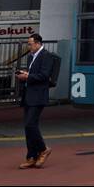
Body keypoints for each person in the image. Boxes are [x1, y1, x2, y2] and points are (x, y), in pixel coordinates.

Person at [16, 33, 59, 169]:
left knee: (30, 125)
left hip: (38, 95)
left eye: (30, 44)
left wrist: (27, 76)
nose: (29, 46)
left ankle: (43, 149)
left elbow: (44, 75)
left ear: (38, 43)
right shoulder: (31, 57)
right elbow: (34, 74)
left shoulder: (46, 56)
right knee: (28, 127)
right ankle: (31, 156)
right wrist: (25, 74)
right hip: (29, 94)